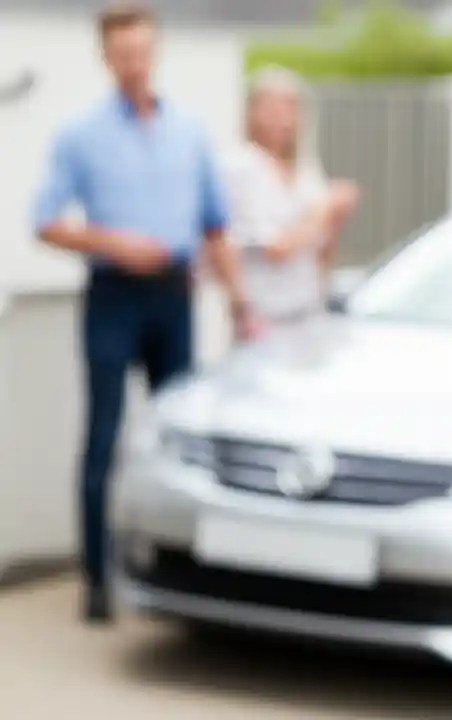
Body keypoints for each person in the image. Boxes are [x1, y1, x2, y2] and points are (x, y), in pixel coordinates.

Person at [32, 3, 258, 625]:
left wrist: (239, 299)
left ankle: (176, 567)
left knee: (179, 435)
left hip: (173, 297)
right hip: (114, 295)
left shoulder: (188, 131)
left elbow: (214, 225)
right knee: (104, 435)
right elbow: (45, 222)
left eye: (143, 51)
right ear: (106, 57)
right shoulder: (81, 135)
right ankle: (97, 577)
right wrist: (116, 244)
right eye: (123, 53)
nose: (134, 63)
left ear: (155, 53)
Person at [225, 66, 360, 329]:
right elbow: (275, 248)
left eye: (290, 108)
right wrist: (326, 209)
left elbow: (322, 247)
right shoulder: (241, 166)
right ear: (252, 112)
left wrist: (336, 218)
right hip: (263, 312)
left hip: (308, 306)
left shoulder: (306, 170)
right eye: (273, 108)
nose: (282, 118)